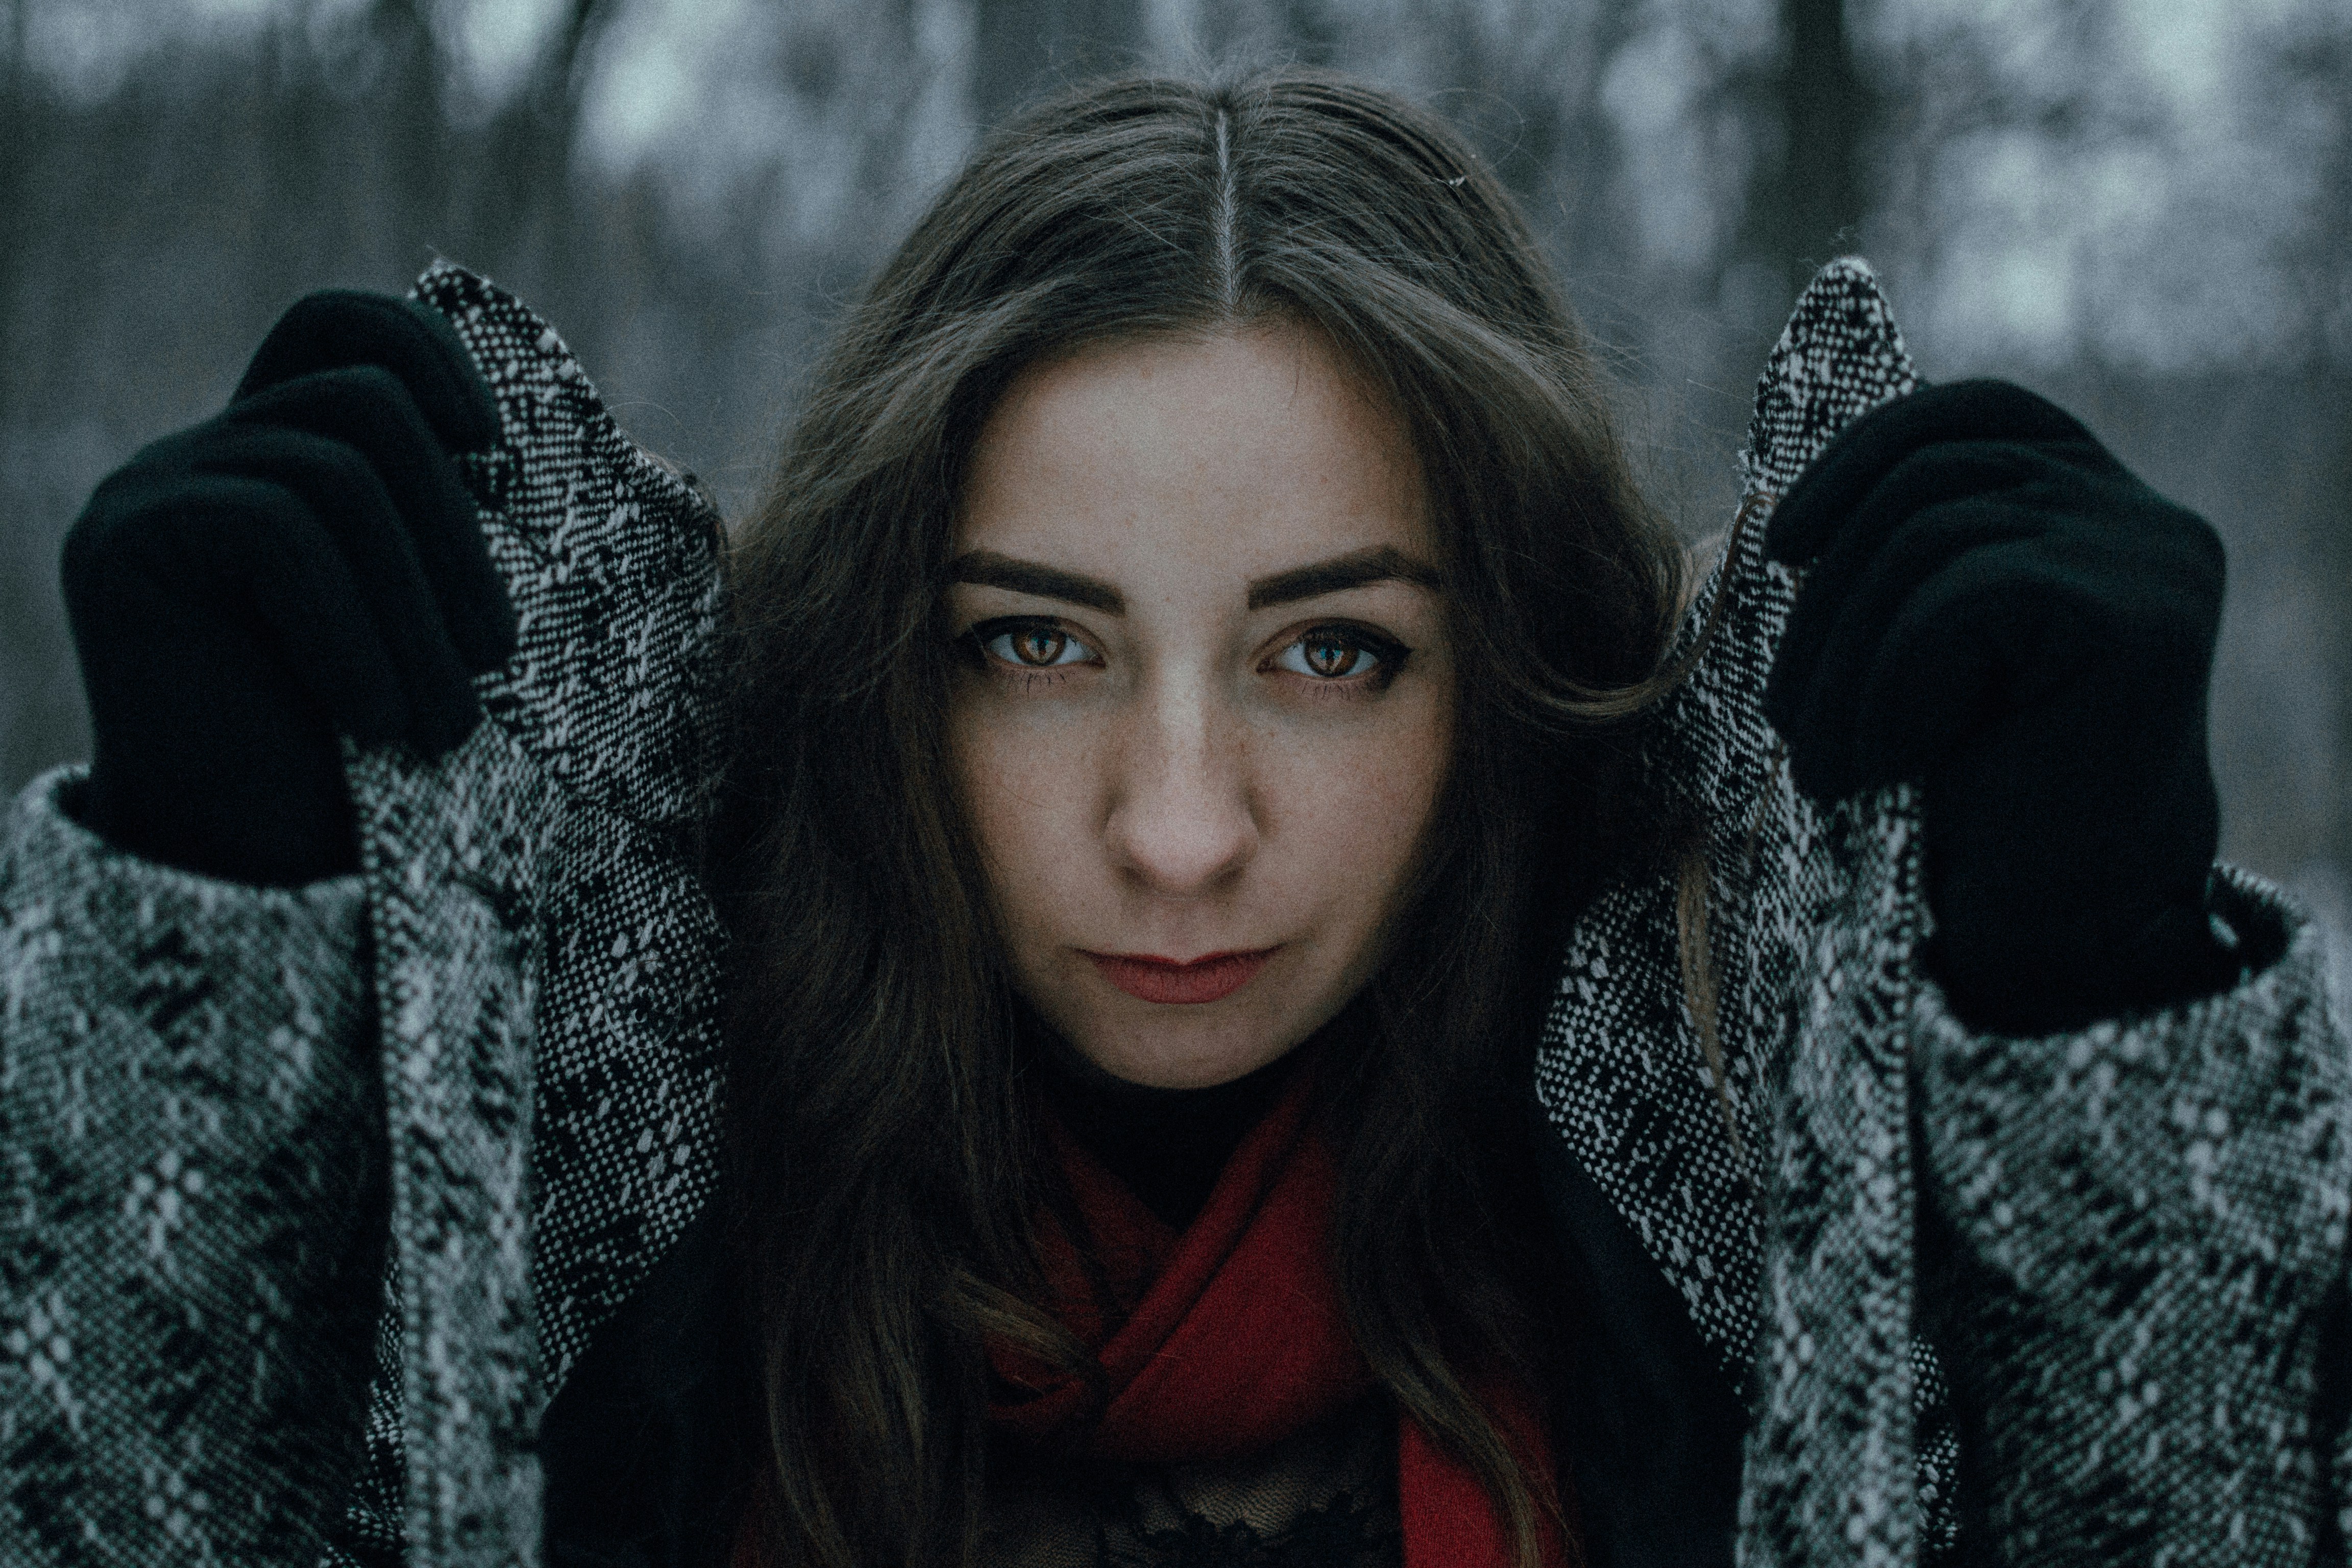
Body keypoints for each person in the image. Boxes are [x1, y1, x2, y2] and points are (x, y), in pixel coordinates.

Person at [3, 67, 2345, 1568]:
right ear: (872, 666)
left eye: (1333, 652)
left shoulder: (1762, 1284)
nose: (1182, 832)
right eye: (1038, 642)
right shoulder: (590, 1243)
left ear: (1506, 680)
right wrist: (206, 973)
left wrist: (2089, 1033)